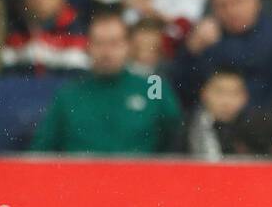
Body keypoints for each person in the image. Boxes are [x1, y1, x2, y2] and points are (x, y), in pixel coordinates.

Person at [31, 10, 182, 155]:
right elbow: (40, 151)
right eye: (99, 43)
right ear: (88, 47)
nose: (106, 52)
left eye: (114, 43)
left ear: (128, 46)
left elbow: (177, 142)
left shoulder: (152, 87)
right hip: (80, 178)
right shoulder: (69, 95)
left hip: (139, 178)